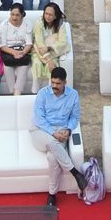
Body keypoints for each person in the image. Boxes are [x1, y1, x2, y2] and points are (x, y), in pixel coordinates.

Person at [32, 67, 86, 205]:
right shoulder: (42, 94)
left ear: (65, 82)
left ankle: (51, 195)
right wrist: (53, 133)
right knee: (52, 142)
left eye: (58, 83)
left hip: (61, 132)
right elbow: (39, 119)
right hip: (40, 131)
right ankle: (75, 173)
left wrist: (68, 129)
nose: (54, 86)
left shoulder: (73, 95)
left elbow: (75, 117)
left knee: (52, 158)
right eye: (53, 83)